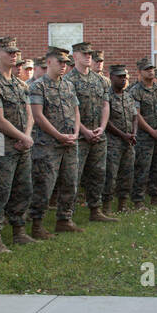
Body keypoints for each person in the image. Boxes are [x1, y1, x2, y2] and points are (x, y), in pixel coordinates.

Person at [0, 36, 35, 249]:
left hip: (22, 145)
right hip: (0, 144)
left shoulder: (21, 85)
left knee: (23, 188)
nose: (14, 55)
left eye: (15, 52)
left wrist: (27, 136)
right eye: (9, 52)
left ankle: (19, 231)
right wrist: (23, 137)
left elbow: (30, 115)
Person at [27, 47, 81, 237]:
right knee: (44, 184)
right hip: (47, 145)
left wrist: (75, 132)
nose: (63, 66)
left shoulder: (68, 85)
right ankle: (37, 225)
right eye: (60, 62)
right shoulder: (37, 86)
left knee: (70, 182)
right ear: (49, 62)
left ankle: (64, 219)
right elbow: (38, 116)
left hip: (69, 143)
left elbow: (75, 110)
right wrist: (58, 135)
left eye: (66, 63)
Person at [63, 42, 115, 223]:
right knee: (73, 177)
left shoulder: (100, 80)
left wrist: (102, 127)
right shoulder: (68, 81)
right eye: (84, 54)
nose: (88, 57)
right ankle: (66, 216)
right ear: (74, 56)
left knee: (98, 173)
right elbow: (70, 110)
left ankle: (95, 209)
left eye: (90, 54)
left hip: (98, 135)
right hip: (78, 136)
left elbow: (105, 104)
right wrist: (84, 131)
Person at [130, 58, 157, 209]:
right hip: (144, 136)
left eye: (152, 69)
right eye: (147, 69)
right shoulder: (135, 91)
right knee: (142, 167)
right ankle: (138, 199)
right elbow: (137, 115)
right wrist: (151, 131)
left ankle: (156, 196)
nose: (150, 71)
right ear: (140, 72)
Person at [103, 65, 137, 213]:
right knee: (111, 175)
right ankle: (107, 206)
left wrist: (133, 133)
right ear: (111, 77)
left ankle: (122, 205)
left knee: (127, 174)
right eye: (119, 77)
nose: (123, 79)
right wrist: (122, 135)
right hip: (113, 142)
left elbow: (135, 116)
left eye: (124, 77)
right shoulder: (106, 96)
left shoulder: (128, 96)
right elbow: (106, 121)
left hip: (129, 142)